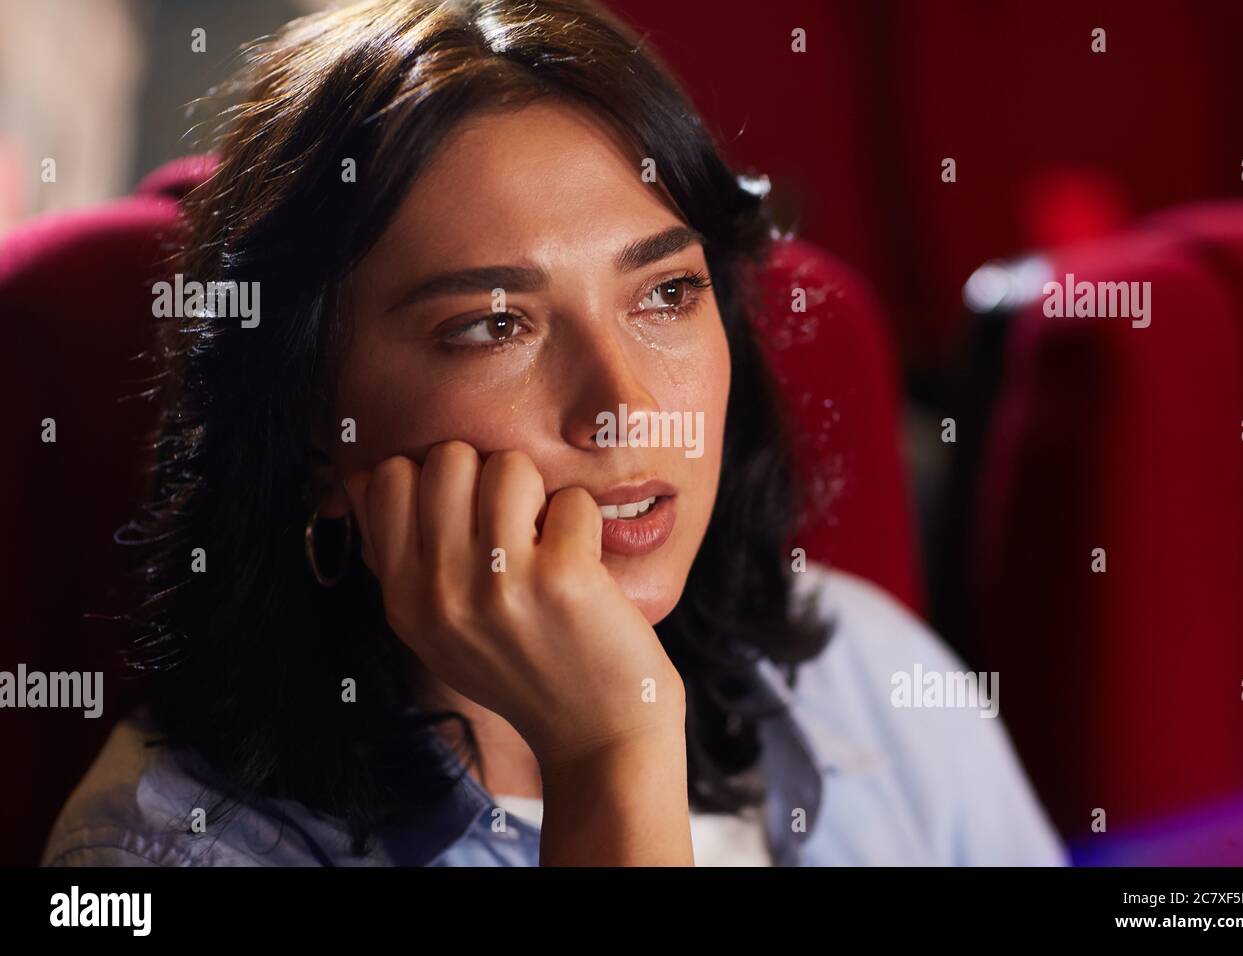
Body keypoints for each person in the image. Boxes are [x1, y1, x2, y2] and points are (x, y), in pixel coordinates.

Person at [41, 0, 1067, 867]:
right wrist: (609, 752)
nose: (622, 404)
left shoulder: (861, 665)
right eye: (494, 324)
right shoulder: (165, 848)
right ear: (310, 434)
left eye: (666, 292)